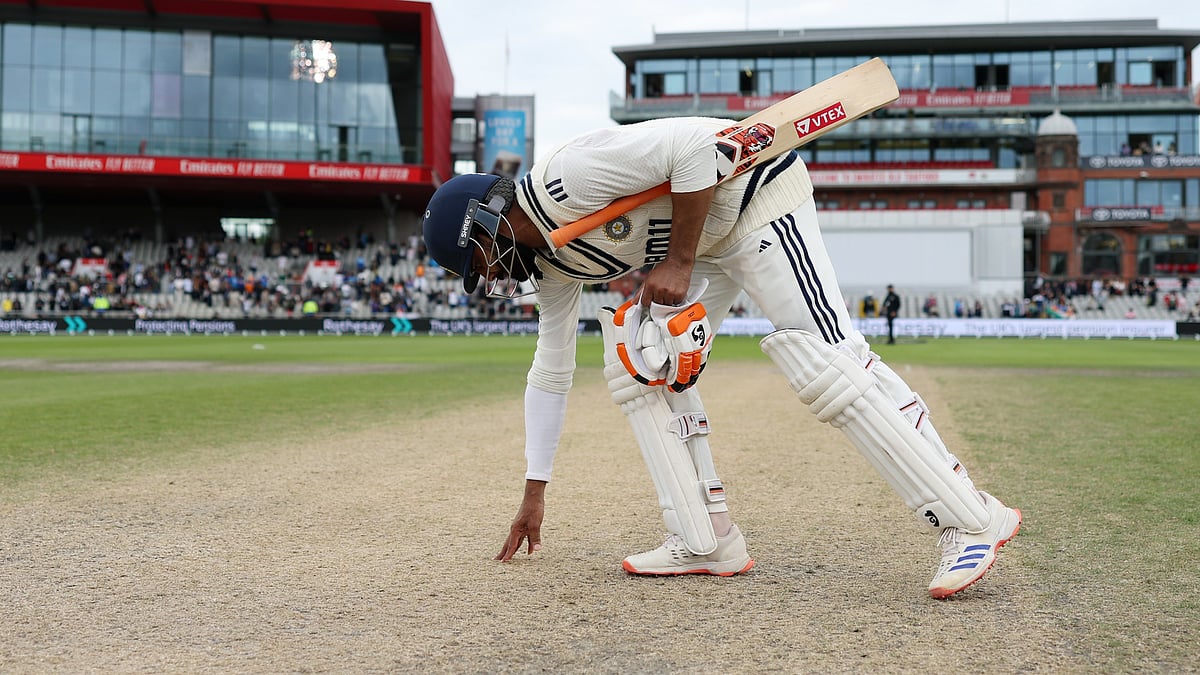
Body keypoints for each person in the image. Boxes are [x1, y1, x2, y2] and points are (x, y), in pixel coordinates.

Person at [420, 117, 1021, 599]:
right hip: (707, 238)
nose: (490, 276)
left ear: (487, 220)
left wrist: (678, 261)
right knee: (646, 363)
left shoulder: (566, 176)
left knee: (827, 362)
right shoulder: (552, 267)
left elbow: (696, 150)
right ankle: (706, 537)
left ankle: (968, 518)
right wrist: (534, 493)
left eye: (479, 261)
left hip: (755, 198)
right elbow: (550, 373)